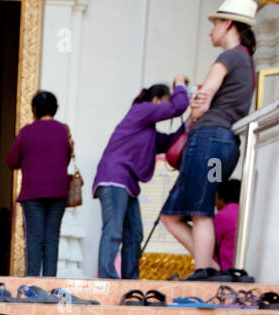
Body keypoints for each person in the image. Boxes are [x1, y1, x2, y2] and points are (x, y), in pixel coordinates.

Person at [160, 0, 257, 281]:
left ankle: (204, 271)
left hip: (208, 141)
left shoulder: (229, 57)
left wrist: (195, 104)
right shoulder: (246, 60)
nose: (210, 31)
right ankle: (210, 266)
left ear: (228, 23)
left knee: (201, 210)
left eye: (215, 24)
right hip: (223, 147)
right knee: (174, 214)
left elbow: (202, 102)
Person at [92, 77, 190, 280]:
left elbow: (171, 141)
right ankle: (107, 279)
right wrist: (181, 85)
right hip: (114, 178)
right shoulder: (141, 110)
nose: (166, 108)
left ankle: (129, 281)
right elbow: (177, 107)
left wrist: (192, 121)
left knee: (134, 234)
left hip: (126, 184)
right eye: (165, 101)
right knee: (113, 230)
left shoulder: (147, 130)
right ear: (156, 101)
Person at [7, 90, 73, 277]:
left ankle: (33, 283)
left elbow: (12, 161)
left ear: (34, 109)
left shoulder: (26, 132)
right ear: (55, 109)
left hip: (33, 192)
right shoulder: (63, 130)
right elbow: (66, 158)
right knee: (52, 238)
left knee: (34, 238)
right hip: (58, 191)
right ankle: (50, 283)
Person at [213, 178, 241, 272]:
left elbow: (210, 246)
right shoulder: (246, 213)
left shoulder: (221, 216)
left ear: (221, 197)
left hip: (225, 271)